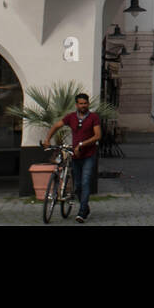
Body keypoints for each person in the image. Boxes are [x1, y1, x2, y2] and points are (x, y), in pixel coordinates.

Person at [42, 92, 102, 223]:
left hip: (89, 155)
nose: (83, 106)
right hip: (75, 156)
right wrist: (47, 139)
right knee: (78, 186)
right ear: (76, 105)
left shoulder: (93, 118)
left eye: (85, 103)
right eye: (80, 103)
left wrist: (82, 144)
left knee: (85, 182)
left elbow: (97, 136)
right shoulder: (71, 117)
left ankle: (81, 213)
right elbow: (57, 126)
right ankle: (85, 207)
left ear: (88, 104)